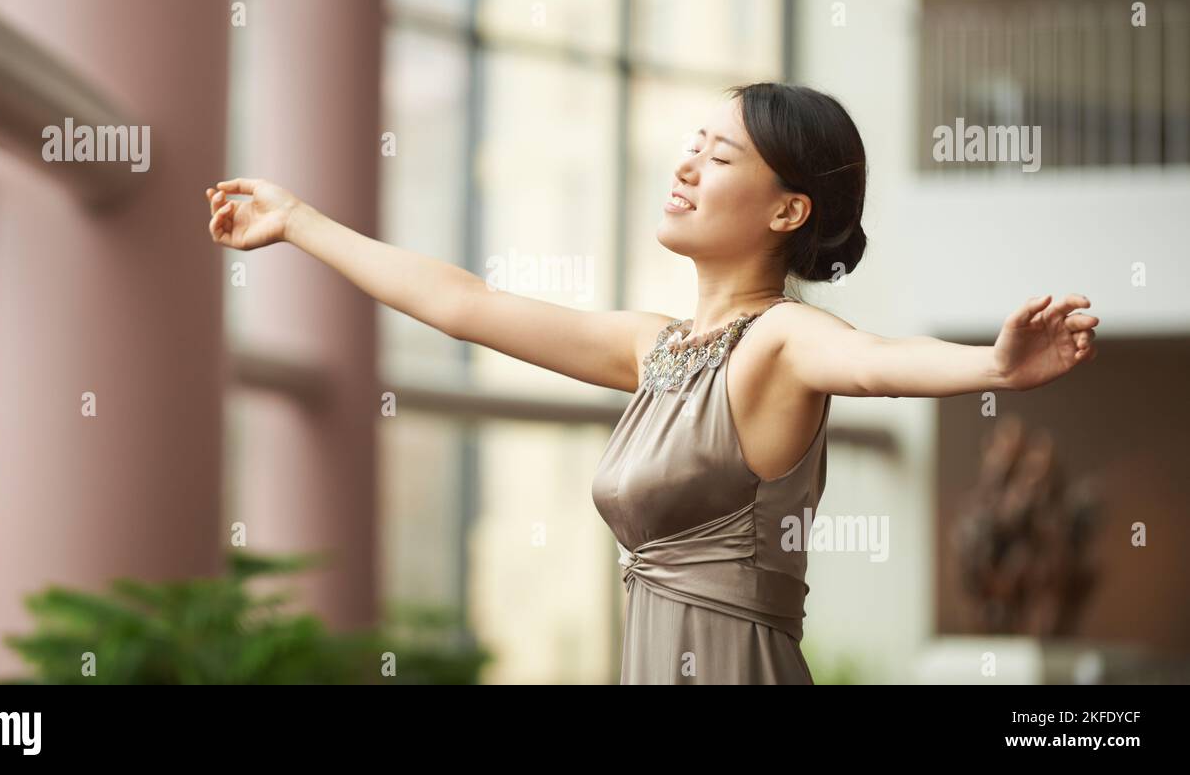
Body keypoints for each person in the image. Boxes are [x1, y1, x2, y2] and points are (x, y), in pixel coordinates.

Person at [204, 81, 1099, 684]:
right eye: (692, 147)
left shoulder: (784, 341)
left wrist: (989, 366)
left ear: (789, 210)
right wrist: (299, 222)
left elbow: (875, 361)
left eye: (719, 157)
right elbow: (461, 302)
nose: (685, 167)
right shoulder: (652, 348)